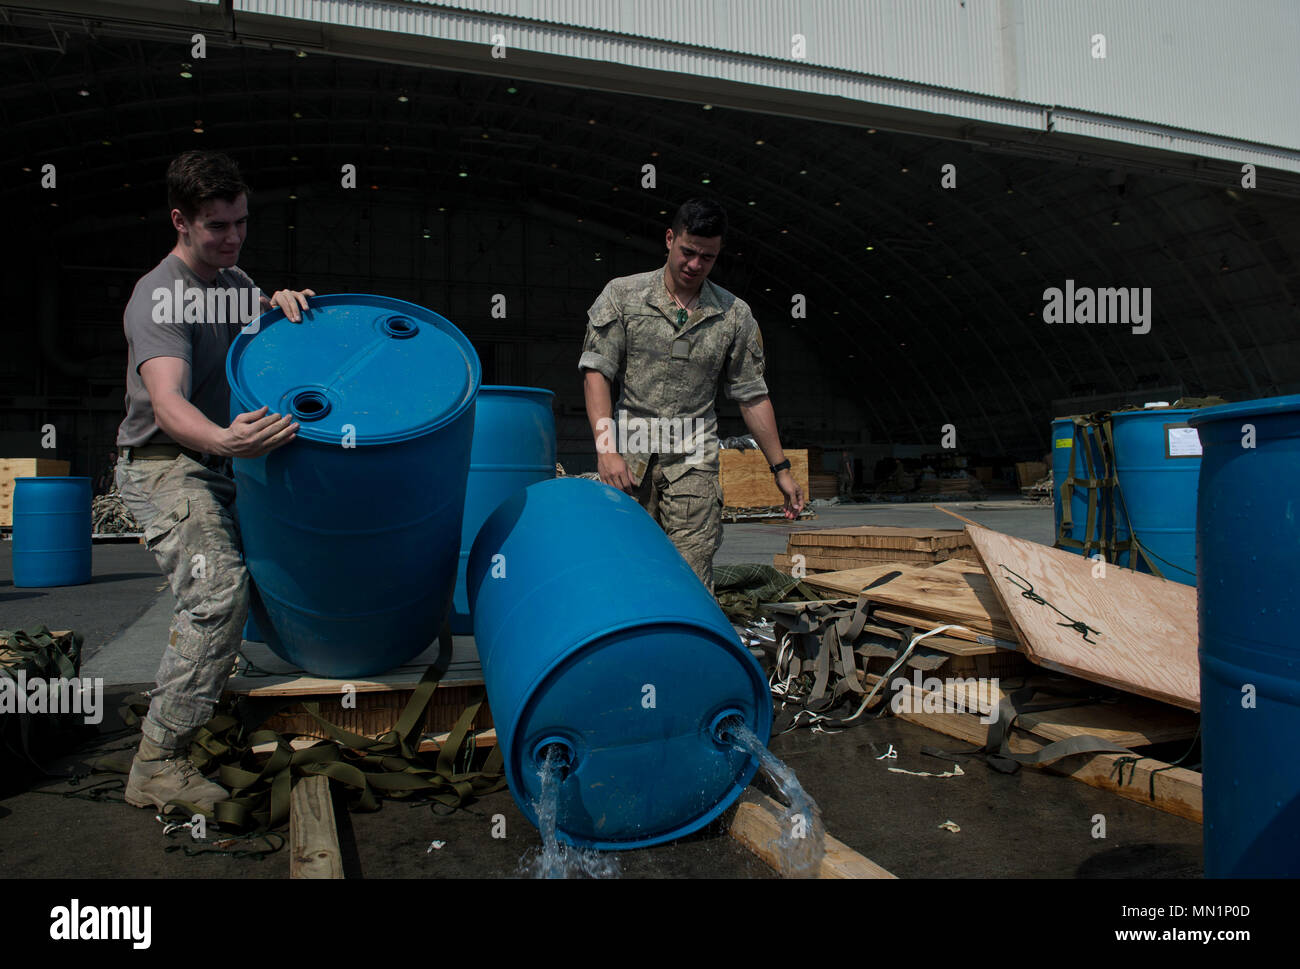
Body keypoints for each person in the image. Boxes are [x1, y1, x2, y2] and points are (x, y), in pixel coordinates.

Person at [114, 150, 315, 814]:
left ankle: (198, 712)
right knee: (218, 590)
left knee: (272, 576)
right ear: (181, 220)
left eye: (240, 223)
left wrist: (278, 302)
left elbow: (256, 324)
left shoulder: (231, 278)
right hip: (165, 463)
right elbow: (169, 403)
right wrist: (225, 439)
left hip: (222, 460)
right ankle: (158, 763)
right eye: (216, 226)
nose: (230, 238)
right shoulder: (157, 297)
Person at [580, 198, 803, 592]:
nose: (695, 265)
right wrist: (605, 449)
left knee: (691, 576)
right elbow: (597, 372)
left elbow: (751, 396)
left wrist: (780, 470)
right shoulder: (624, 295)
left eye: (707, 257)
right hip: (630, 452)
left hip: (694, 454)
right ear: (669, 239)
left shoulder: (734, 315)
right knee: (625, 567)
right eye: (688, 251)